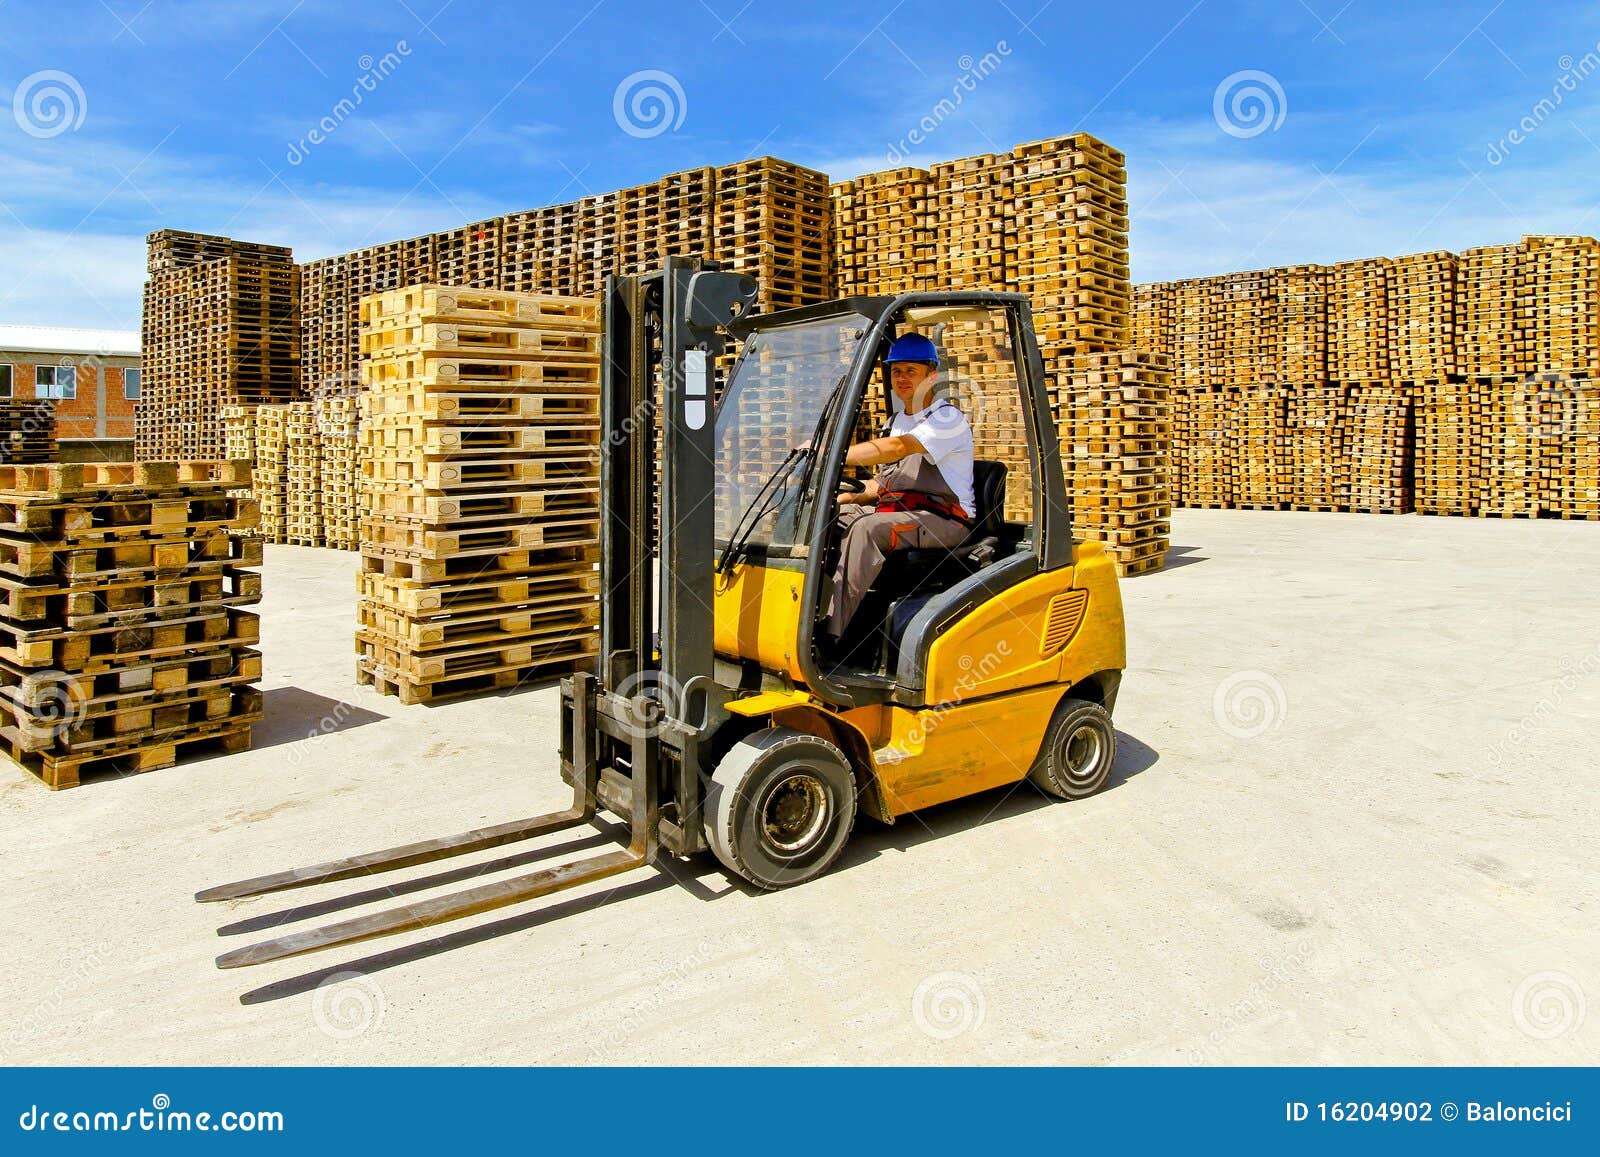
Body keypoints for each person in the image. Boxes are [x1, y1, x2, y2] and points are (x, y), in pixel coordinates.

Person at [824, 333, 976, 645]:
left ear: (931, 376)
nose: (902, 378)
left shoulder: (946, 418)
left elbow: (895, 448)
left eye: (911, 370)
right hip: (904, 511)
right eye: (896, 371)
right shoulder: (896, 420)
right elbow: (882, 483)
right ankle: (815, 610)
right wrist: (846, 497)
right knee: (826, 516)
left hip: (945, 520)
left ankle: (831, 637)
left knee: (867, 529)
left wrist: (830, 452)